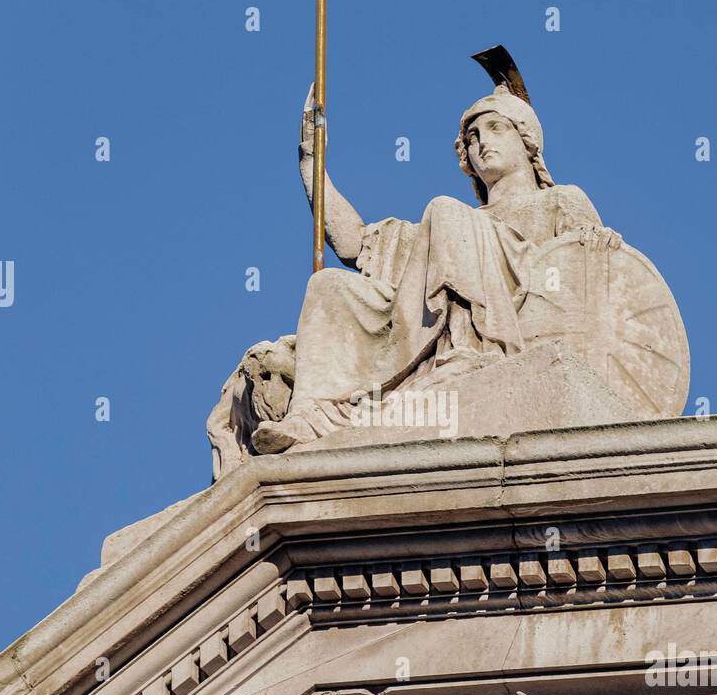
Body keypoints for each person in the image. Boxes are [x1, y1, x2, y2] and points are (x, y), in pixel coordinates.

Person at [252, 79, 619, 453]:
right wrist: (312, 164)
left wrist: (598, 241)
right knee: (329, 284)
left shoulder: (558, 200)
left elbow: (589, 264)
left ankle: (469, 352)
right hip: (430, 301)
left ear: (527, 142)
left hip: (518, 315)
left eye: (496, 128)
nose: (482, 143)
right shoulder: (445, 231)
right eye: (472, 136)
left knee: (446, 211)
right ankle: (312, 415)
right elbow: (355, 244)